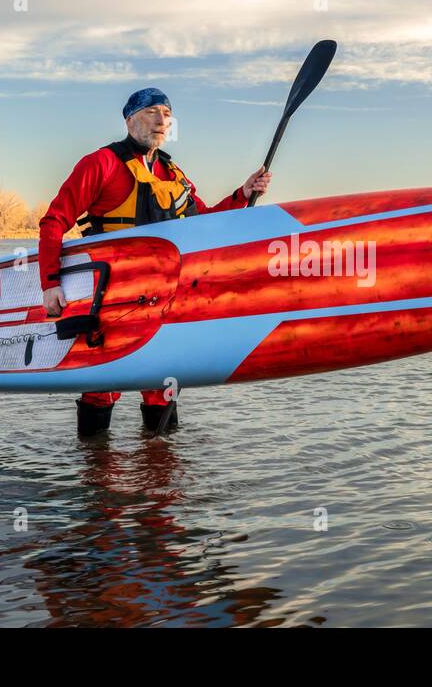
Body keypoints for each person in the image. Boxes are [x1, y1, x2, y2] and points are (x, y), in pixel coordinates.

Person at [38, 88, 270, 436]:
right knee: (103, 387)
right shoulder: (100, 164)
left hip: (165, 299)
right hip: (114, 298)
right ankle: (93, 479)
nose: (161, 120)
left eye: (166, 113)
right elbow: (53, 221)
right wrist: (51, 283)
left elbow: (203, 221)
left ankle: (160, 477)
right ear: (130, 119)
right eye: (151, 112)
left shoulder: (172, 172)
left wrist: (244, 195)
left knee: (163, 388)